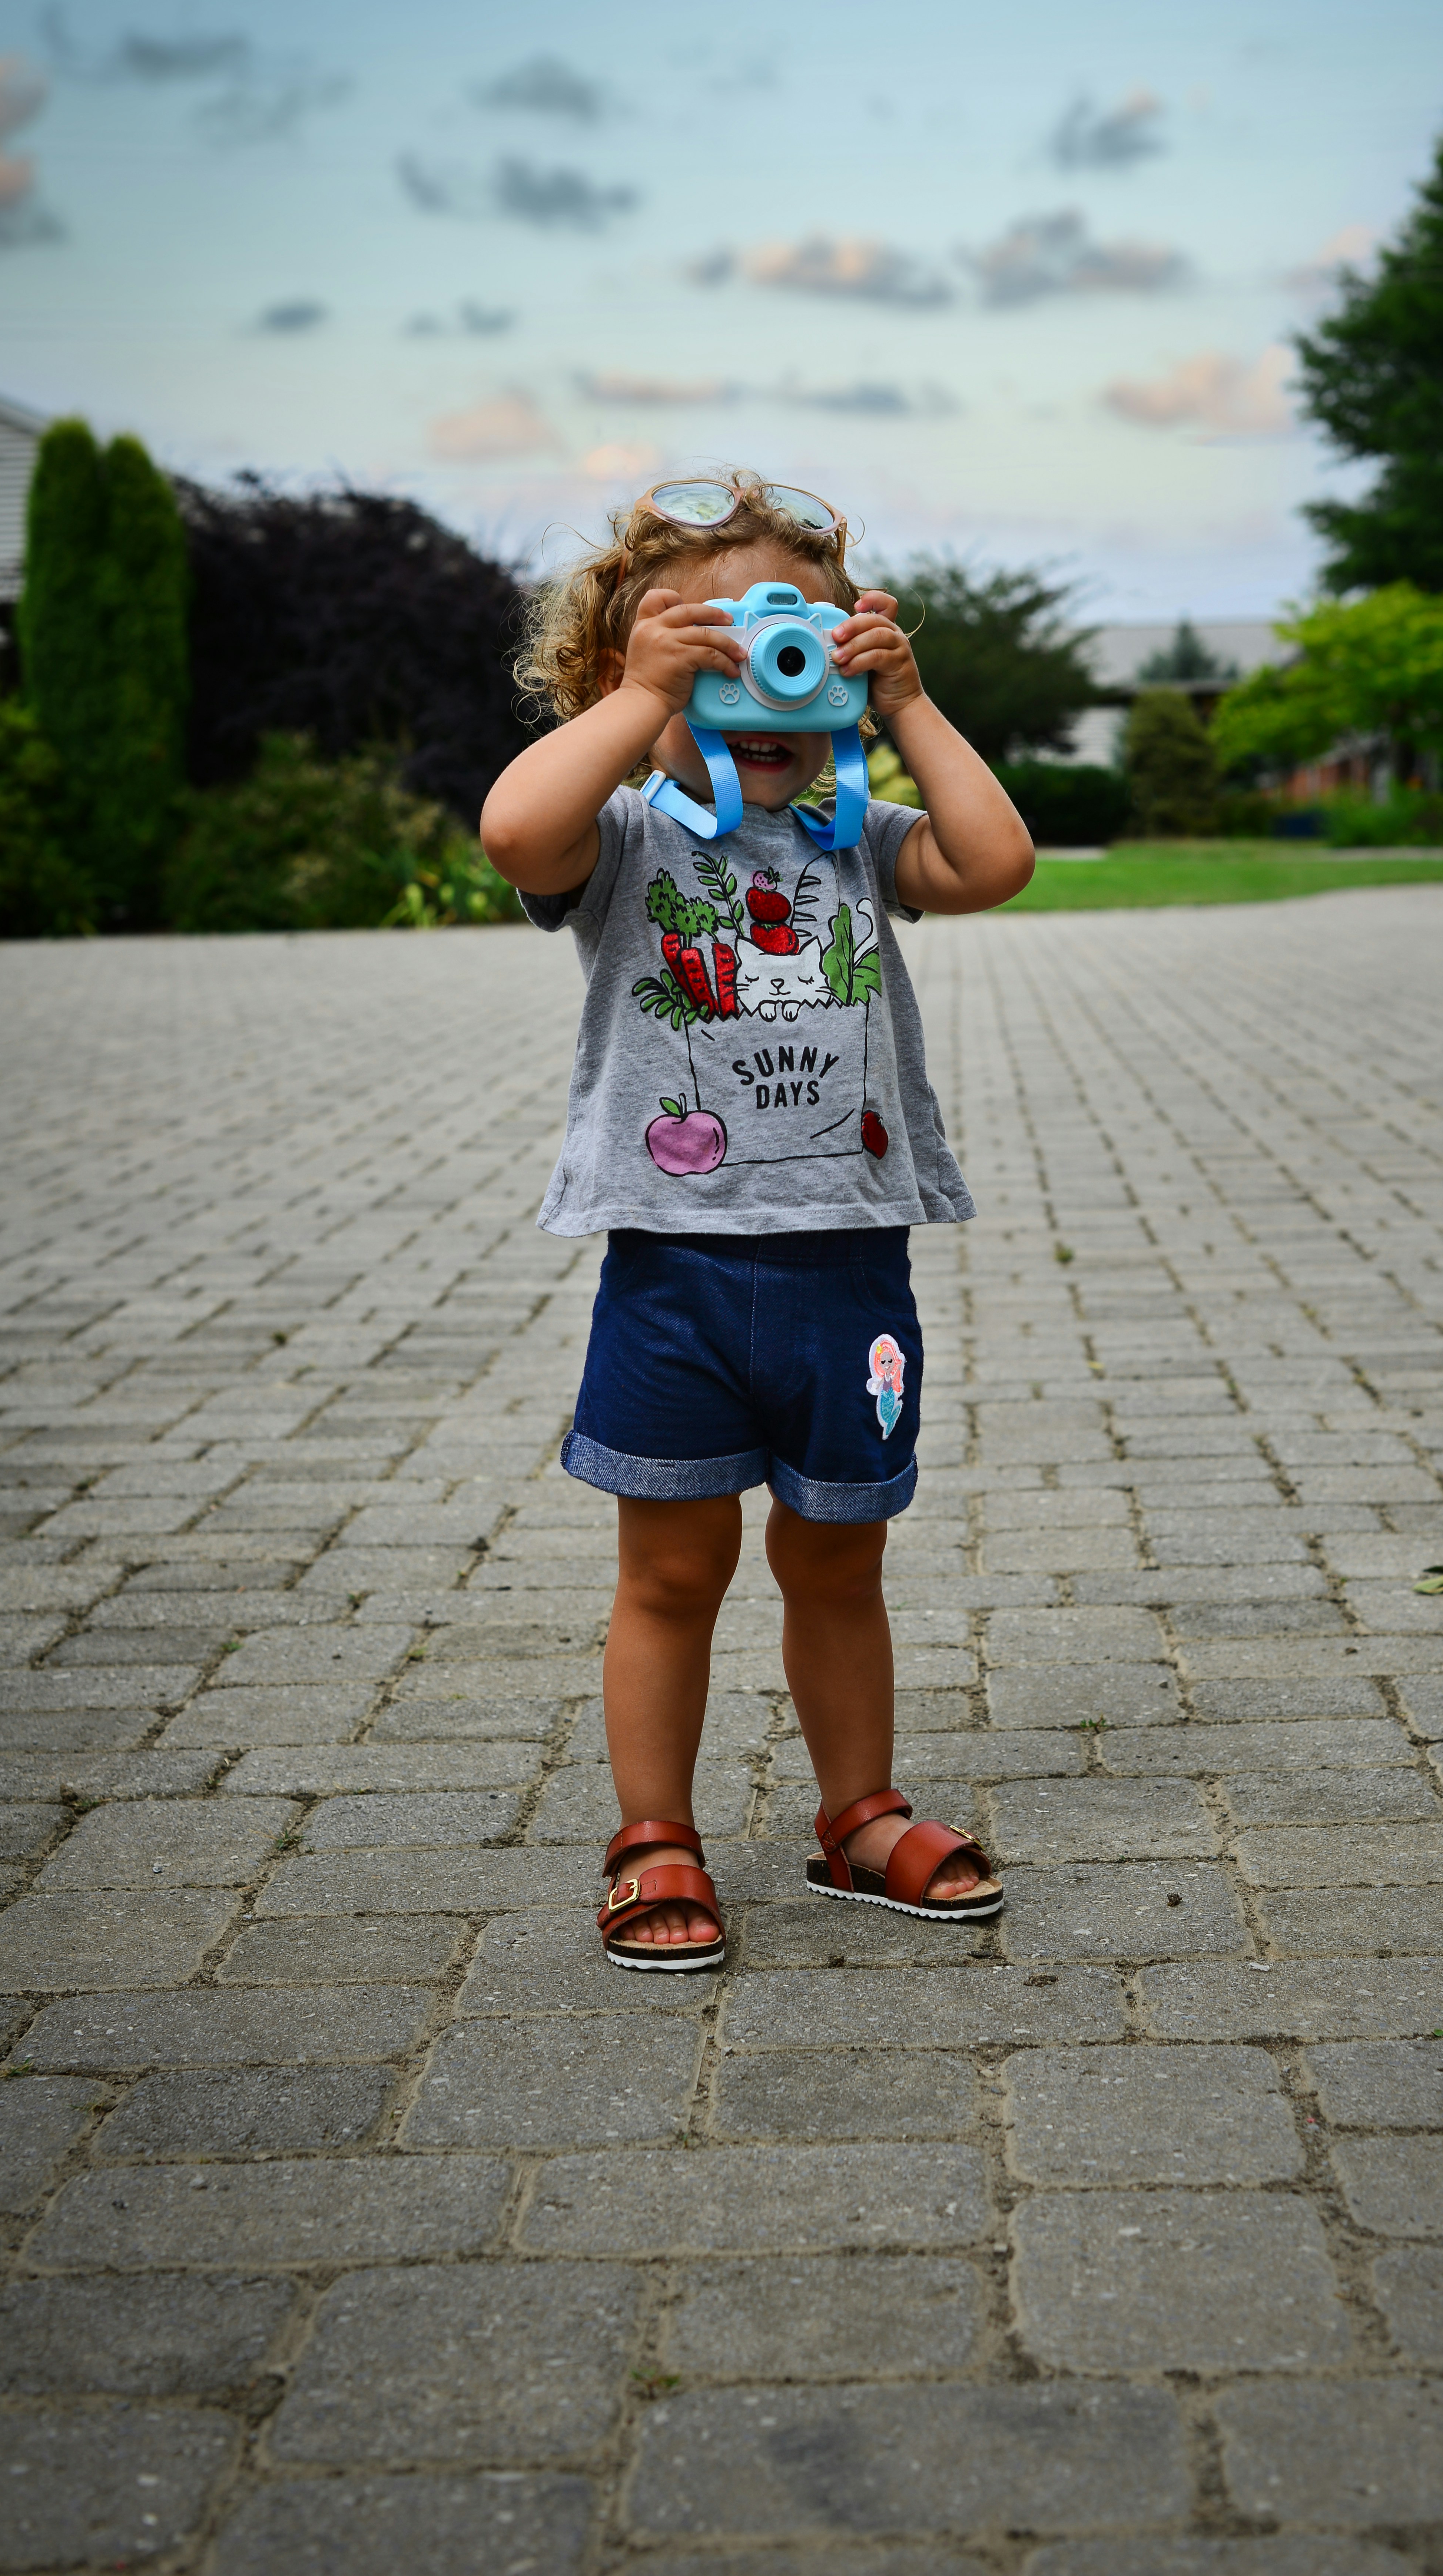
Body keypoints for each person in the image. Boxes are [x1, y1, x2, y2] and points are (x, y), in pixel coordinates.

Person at [481, 473, 1035, 1970]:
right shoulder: (625, 835)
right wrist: (638, 697)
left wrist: (908, 704)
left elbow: (995, 861)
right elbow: (511, 827)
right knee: (668, 1573)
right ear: (628, 669)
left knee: (839, 1561)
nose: (760, 679)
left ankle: (857, 1812)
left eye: (792, 637)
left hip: (849, 1274)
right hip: (672, 1272)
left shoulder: (858, 833)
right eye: (713, 645)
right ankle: (651, 1834)